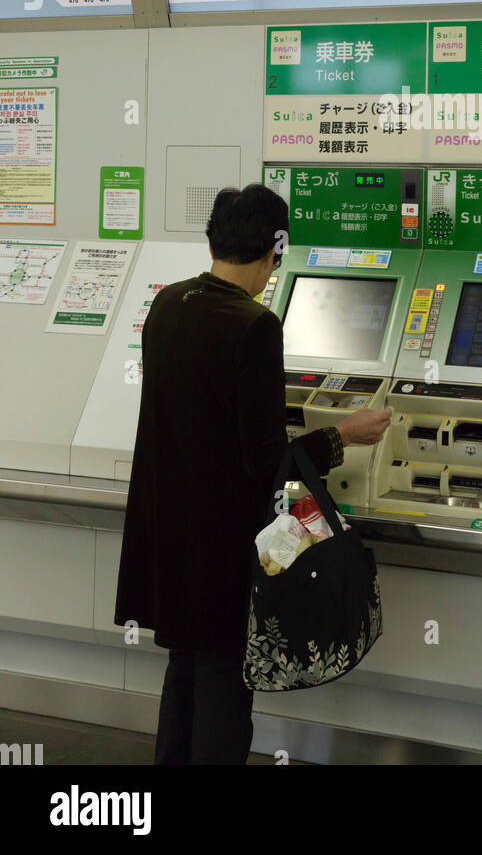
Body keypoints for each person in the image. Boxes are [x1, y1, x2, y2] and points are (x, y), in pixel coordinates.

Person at [114, 184, 391, 764]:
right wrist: (345, 435)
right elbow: (268, 462)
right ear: (274, 249)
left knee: (184, 673)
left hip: (169, 535)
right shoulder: (255, 326)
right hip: (222, 547)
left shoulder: (168, 305)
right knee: (223, 686)